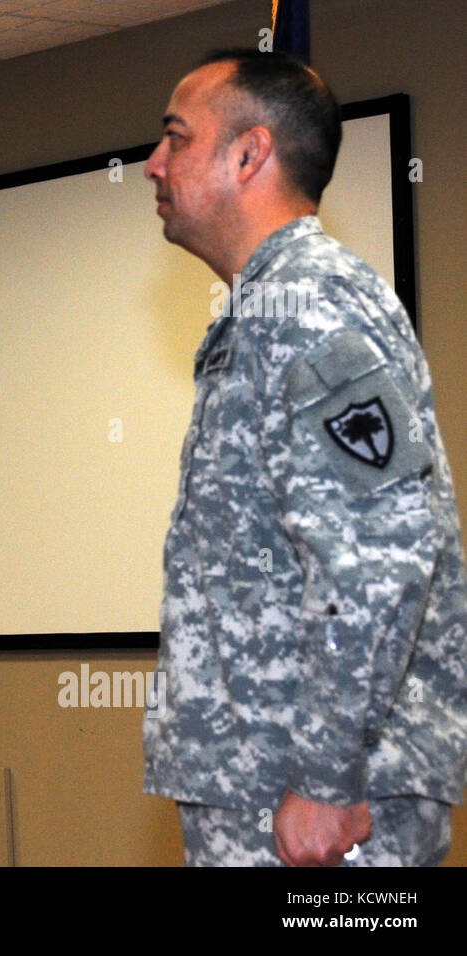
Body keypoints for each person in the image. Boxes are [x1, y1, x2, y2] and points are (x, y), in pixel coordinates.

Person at [142, 49, 467, 866]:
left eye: (176, 138)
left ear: (249, 154)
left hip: (321, 804)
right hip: (266, 786)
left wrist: (326, 778)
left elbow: (381, 555)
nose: (153, 164)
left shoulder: (307, 305)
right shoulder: (264, 308)